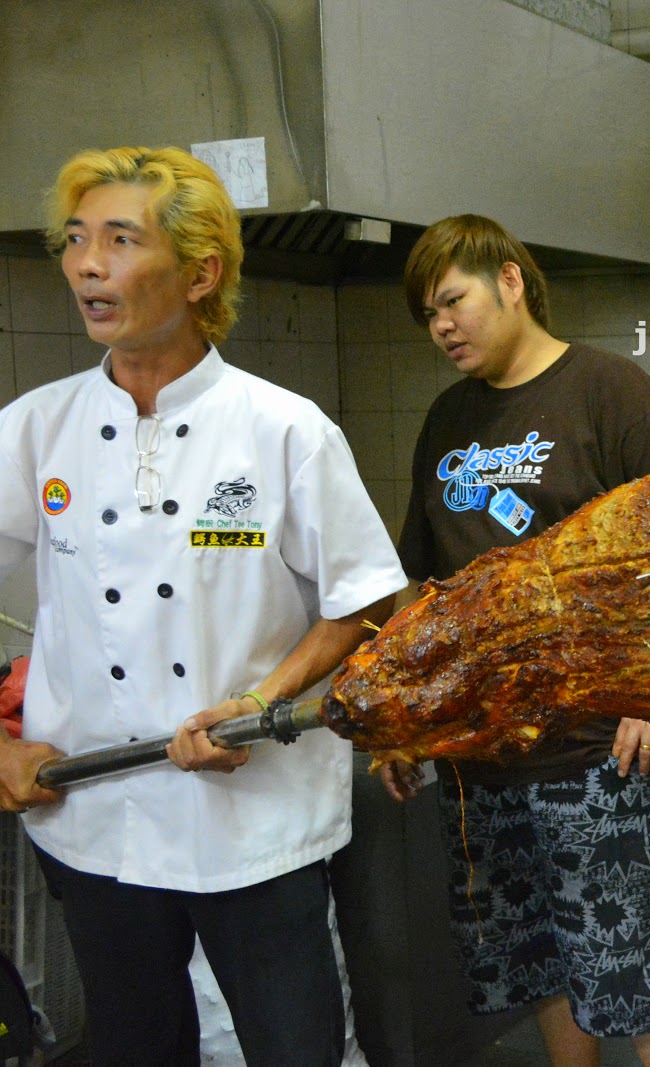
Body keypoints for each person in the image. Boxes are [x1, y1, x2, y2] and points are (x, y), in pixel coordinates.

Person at [0, 147, 407, 1066]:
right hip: (94, 820)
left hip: (252, 827)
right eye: (74, 240)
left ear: (200, 271)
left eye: (118, 239)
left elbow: (371, 600)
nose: (86, 264)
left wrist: (262, 703)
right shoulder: (35, 430)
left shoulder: (283, 429)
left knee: (294, 1048)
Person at [381, 214, 650, 1067]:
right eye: (428, 314)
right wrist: (404, 714)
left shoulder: (610, 392)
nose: (441, 325)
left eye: (452, 300)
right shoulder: (447, 418)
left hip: (606, 752)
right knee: (539, 961)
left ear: (511, 281)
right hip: (483, 759)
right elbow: (427, 586)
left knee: (646, 970)